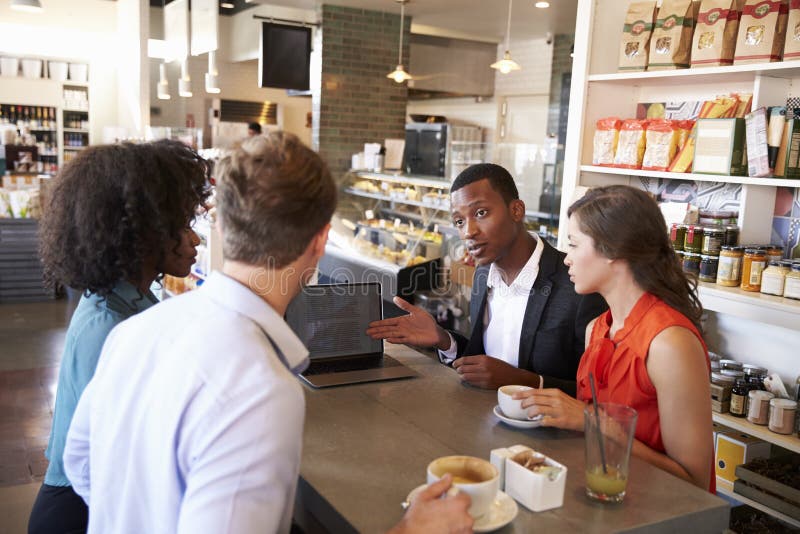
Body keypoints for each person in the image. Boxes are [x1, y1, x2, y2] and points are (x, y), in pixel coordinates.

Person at [62, 132, 473, 533]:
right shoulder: (260, 390)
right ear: (320, 242)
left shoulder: (136, 330)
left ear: (221, 227)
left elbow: (80, 462)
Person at [28, 140, 211, 534]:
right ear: (143, 231)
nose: (195, 240)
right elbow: (111, 458)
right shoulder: (106, 324)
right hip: (76, 512)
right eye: (181, 226)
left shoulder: (135, 298)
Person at [515, 185, 715, 491]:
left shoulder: (669, 344)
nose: (566, 259)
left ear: (614, 250)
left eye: (574, 245)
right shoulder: (596, 329)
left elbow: (695, 482)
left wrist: (592, 421)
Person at [367, 163, 606, 394]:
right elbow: (483, 366)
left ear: (516, 210)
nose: (468, 231)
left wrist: (527, 382)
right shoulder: (483, 276)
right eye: (459, 221)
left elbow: (600, 394)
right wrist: (443, 339)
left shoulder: (579, 285)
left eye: (480, 213)